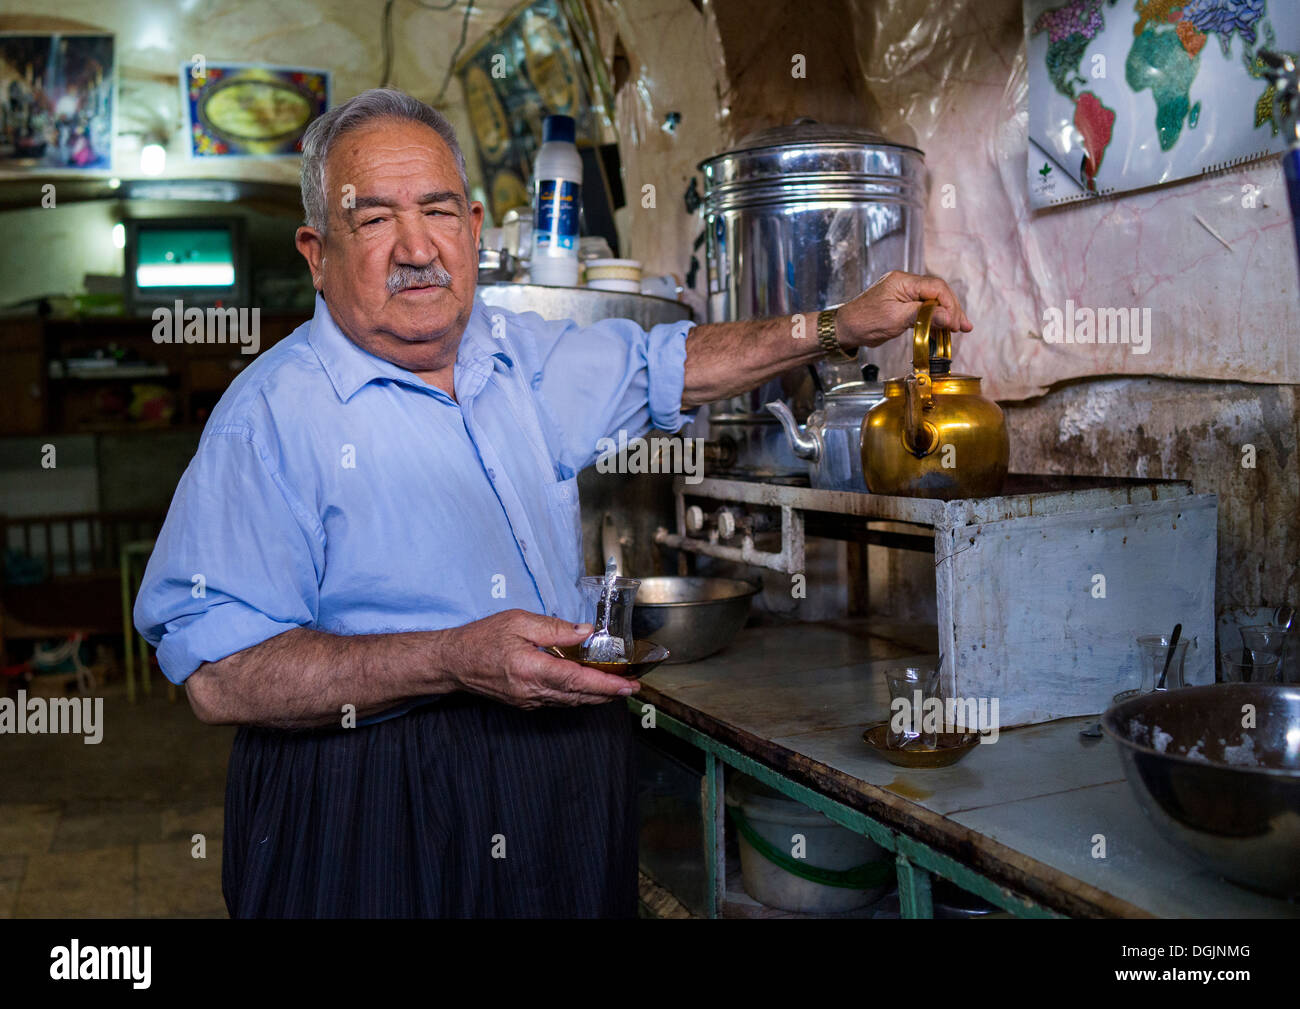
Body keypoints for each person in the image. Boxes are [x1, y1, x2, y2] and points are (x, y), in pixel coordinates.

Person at [134, 87, 972, 918]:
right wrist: (448, 656)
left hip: (561, 778)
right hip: (369, 794)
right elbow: (221, 674)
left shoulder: (517, 355)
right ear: (317, 252)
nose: (417, 247)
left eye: (438, 211)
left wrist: (840, 325)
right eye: (375, 219)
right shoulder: (269, 418)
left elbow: (675, 365)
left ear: (470, 223)